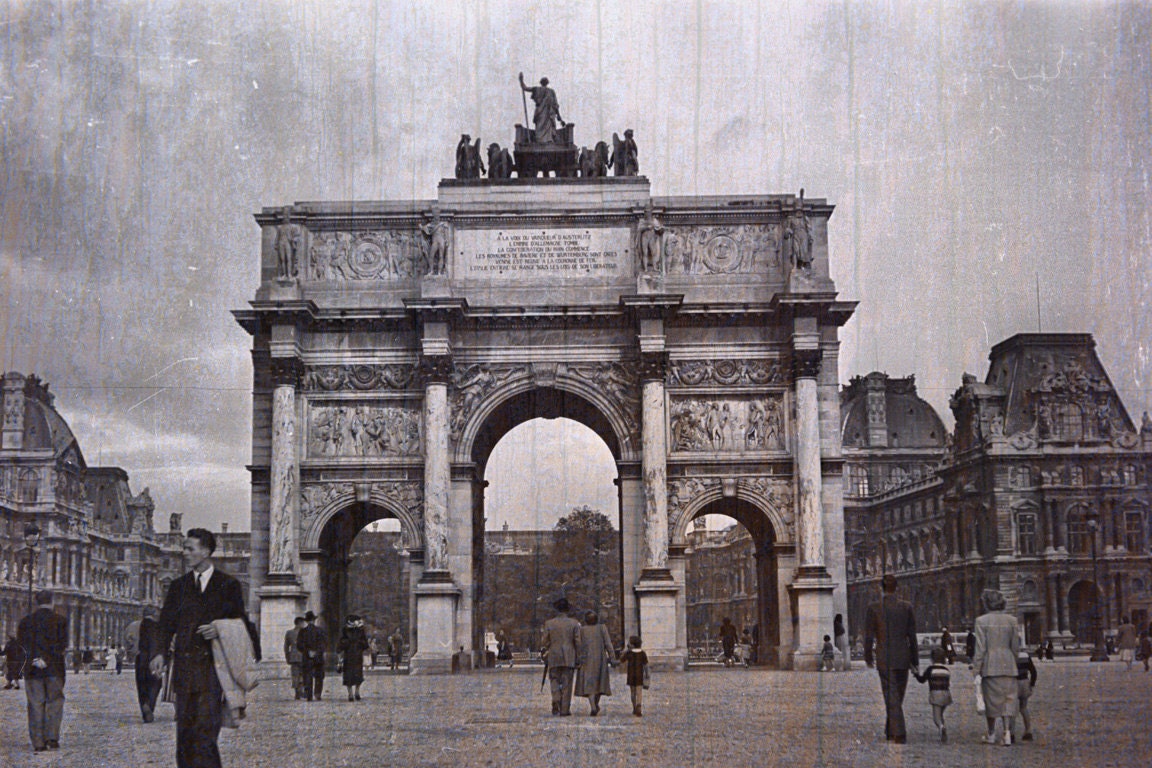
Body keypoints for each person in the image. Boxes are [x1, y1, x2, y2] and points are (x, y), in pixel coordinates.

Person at [150, 528, 247, 768]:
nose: (185, 553)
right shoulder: (178, 586)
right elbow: (164, 625)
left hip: (213, 671)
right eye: (184, 548)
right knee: (184, 735)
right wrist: (159, 653)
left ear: (206, 551)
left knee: (206, 735)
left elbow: (242, 624)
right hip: (183, 671)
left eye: (190, 548)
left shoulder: (229, 585)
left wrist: (220, 629)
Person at [864, 574, 919, 744]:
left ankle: (898, 732)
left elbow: (869, 636)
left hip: (884, 657)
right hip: (903, 657)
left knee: (891, 694)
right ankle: (891, 728)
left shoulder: (874, 608)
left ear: (881, 588)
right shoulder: (907, 607)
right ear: (897, 588)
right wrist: (915, 661)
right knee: (898, 695)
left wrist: (868, 656)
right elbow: (912, 636)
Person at [17, 590, 68, 753]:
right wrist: (45, 658)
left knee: (35, 704)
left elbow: (22, 645)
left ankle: (38, 742)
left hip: (32, 670)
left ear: (37, 602)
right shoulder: (60, 621)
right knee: (54, 702)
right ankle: (52, 738)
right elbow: (62, 645)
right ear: (51, 602)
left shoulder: (25, 622)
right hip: (54, 668)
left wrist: (35, 658)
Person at [971, 588, 1021, 746]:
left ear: (986, 603)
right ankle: (1006, 733)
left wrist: (976, 668)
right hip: (1008, 663)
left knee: (990, 700)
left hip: (990, 664)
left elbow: (980, 648)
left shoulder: (981, 621)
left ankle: (992, 733)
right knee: (1008, 699)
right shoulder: (1012, 620)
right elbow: (1015, 646)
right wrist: (1014, 661)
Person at [541, 597, 581, 716]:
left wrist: (548, 647)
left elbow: (544, 641)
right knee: (567, 682)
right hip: (569, 655)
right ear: (567, 609)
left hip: (554, 655)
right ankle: (564, 709)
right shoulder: (574, 623)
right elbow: (578, 641)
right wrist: (579, 656)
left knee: (554, 679)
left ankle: (556, 698)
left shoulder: (549, 623)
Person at [575, 611, 615, 716]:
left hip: (586, 659)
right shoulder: (602, 628)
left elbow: (578, 645)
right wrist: (612, 657)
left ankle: (593, 706)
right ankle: (595, 705)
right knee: (599, 682)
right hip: (600, 659)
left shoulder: (582, 630)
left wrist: (578, 658)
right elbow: (608, 644)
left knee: (589, 683)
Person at [912, 646, 952, 743]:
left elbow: (922, 680)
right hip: (946, 694)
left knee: (936, 717)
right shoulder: (946, 670)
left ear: (932, 658)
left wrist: (916, 674)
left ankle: (941, 727)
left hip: (936, 694)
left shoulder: (930, 669)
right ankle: (942, 731)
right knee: (941, 714)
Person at [134, 607, 164, 722]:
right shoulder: (157, 627)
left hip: (141, 658)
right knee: (155, 683)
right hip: (154, 658)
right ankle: (150, 705)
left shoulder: (137, 625)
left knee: (142, 684)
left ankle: (144, 704)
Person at [518, 73, 564, 144]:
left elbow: (525, 88)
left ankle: (544, 140)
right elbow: (555, 105)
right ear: (547, 83)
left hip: (542, 113)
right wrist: (559, 116)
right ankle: (546, 140)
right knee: (543, 126)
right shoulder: (551, 91)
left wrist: (521, 80)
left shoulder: (538, 89)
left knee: (541, 126)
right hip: (546, 114)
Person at [338, 614, 369, 702]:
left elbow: (365, 643)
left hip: (356, 655)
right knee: (349, 675)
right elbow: (341, 642)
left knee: (357, 675)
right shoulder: (346, 630)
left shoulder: (360, 630)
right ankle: (351, 693)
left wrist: (359, 643)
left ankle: (356, 692)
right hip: (349, 655)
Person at [297, 611, 326, 701]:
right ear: (314, 620)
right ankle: (317, 694)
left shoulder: (302, 632)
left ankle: (309, 694)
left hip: (307, 657)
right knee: (319, 676)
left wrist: (308, 651)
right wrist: (317, 652)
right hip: (318, 657)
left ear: (307, 620)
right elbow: (323, 644)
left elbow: (299, 645)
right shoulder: (320, 630)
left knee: (308, 675)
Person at [618, 635, 649, 717]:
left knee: (633, 692)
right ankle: (639, 705)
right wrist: (647, 675)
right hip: (639, 675)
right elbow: (646, 665)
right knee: (639, 692)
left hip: (631, 675)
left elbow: (621, 660)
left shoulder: (629, 653)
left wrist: (625, 651)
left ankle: (634, 707)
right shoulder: (643, 653)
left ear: (632, 645)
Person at [1016, 646, 1038, 741]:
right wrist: (1032, 684)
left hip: (1013, 682)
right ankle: (1028, 730)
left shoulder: (1010, 655)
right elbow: (1033, 672)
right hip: (1025, 681)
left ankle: (1011, 733)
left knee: (1011, 708)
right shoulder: (1025, 655)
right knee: (1023, 708)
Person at [284, 616, 305, 700]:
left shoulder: (289, 633)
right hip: (303, 656)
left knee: (295, 675)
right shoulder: (304, 633)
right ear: (300, 623)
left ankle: (297, 692)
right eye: (302, 623)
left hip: (293, 657)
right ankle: (301, 690)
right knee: (302, 674)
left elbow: (286, 646)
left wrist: (287, 656)